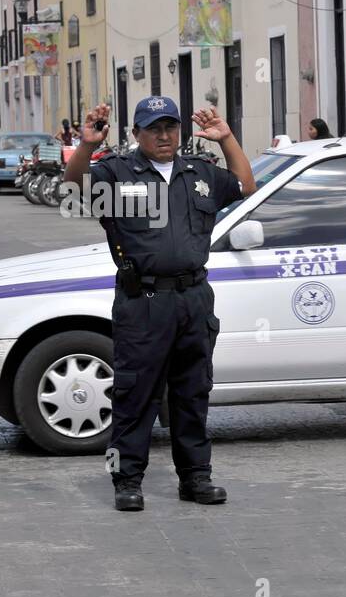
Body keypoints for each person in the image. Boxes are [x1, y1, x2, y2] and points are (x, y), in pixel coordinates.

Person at [64, 97, 256, 512]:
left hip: (193, 299)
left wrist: (227, 139)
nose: (164, 135)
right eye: (154, 128)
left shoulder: (199, 172)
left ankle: (196, 478)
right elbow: (74, 186)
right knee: (135, 395)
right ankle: (127, 480)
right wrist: (85, 145)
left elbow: (245, 185)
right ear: (136, 134)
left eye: (170, 126)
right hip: (143, 301)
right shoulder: (116, 173)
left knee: (192, 391)